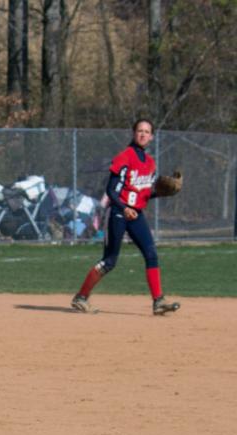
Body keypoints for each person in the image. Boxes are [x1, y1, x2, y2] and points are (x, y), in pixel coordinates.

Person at [71, 118, 180, 316]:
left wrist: (161, 192)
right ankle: (81, 297)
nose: (143, 134)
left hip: (136, 214)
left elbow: (144, 193)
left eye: (147, 132)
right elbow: (111, 190)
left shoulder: (150, 163)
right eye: (140, 130)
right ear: (133, 133)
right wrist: (123, 207)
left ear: (152, 137)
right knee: (110, 261)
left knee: (151, 254)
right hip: (118, 213)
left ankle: (158, 301)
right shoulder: (124, 157)